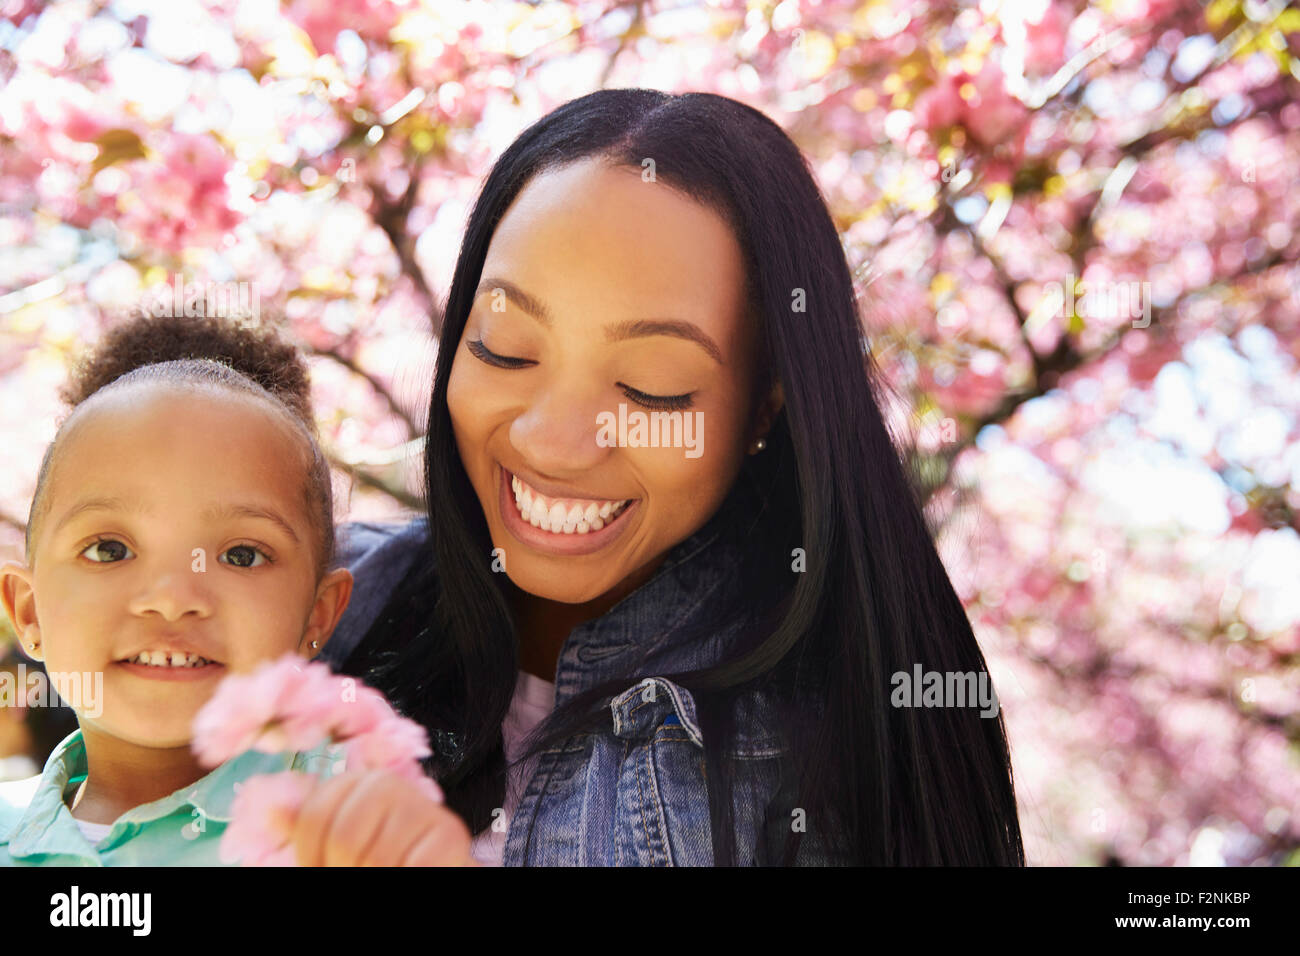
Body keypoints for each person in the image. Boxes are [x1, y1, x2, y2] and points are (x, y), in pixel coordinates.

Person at [324, 88, 1025, 865]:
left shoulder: (837, 747)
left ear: (765, 409)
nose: (554, 443)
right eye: (505, 348)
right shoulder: (314, 603)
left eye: (652, 387)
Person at [0, 314, 472, 866]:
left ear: (319, 616)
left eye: (241, 556)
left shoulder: (351, 820)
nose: (173, 597)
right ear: (27, 612)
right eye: (110, 549)